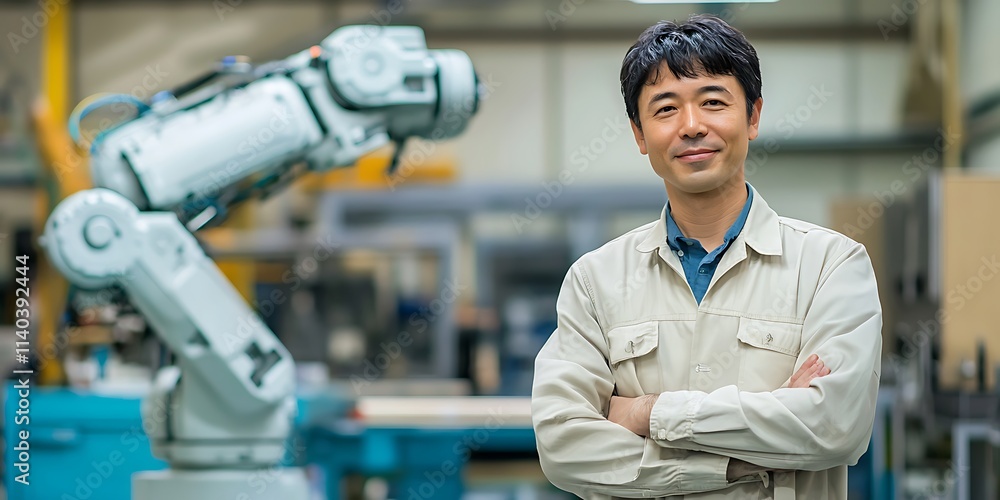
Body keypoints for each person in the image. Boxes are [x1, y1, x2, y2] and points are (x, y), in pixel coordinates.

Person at [531, 14, 882, 500]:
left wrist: (645, 413)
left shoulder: (830, 266)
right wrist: (736, 464)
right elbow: (562, 446)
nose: (691, 126)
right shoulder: (596, 281)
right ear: (639, 134)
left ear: (753, 116)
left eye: (713, 102)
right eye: (665, 109)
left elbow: (835, 428)